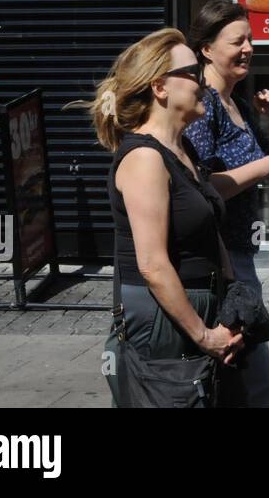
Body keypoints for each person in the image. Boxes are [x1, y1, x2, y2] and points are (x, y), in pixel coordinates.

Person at [82, 28, 243, 405]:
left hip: (200, 306)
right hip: (165, 319)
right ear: (160, 88)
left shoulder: (182, 148)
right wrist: (203, 336)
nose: (203, 83)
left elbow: (207, 225)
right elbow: (153, 264)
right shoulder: (144, 159)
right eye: (193, 74)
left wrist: (233, 293)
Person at [185, 0, 269, 408]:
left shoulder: (239, 105)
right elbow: (198, 187)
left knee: (242, 379)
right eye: (237, 41)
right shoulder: (203, 104)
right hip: (219, 257)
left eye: (250, 39)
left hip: (240, 254)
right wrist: (262, 165)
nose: (248, 48)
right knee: (259, 381)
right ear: (207, 49)